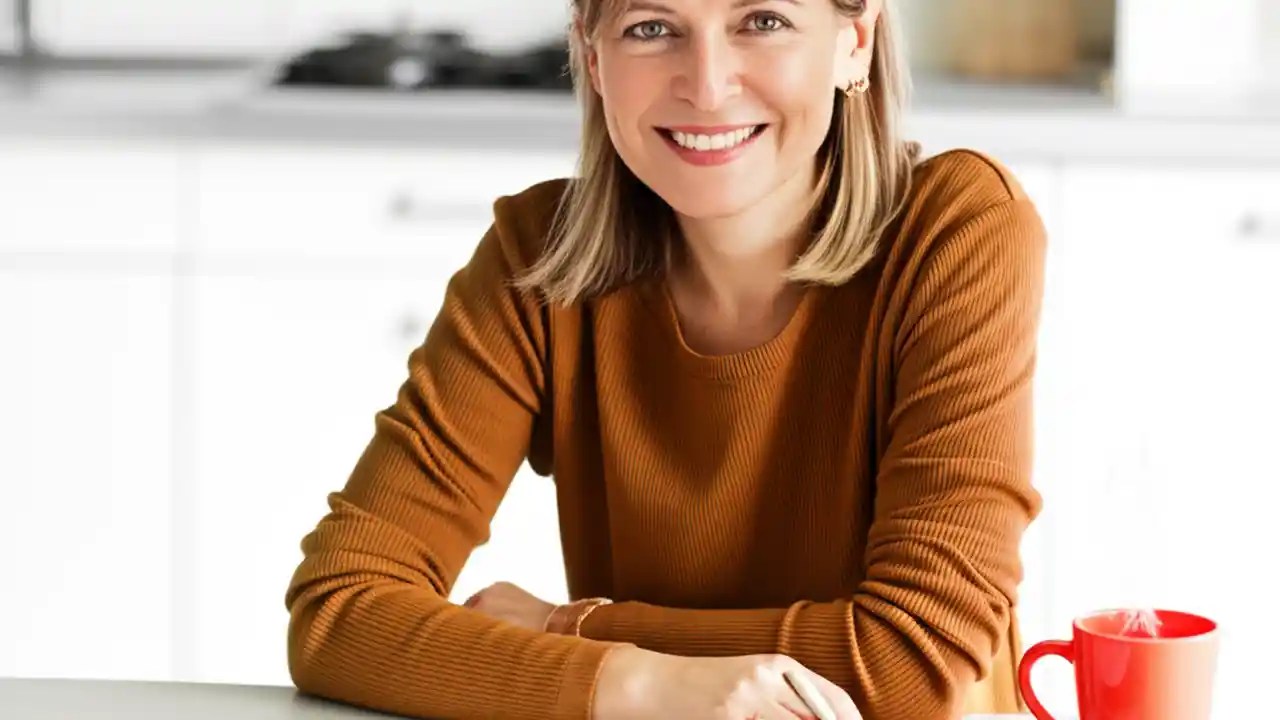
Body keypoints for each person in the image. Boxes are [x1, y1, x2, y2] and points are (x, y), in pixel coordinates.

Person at [284, 0, 1046, 718]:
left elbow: (914, 659)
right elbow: (340, 607)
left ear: (856, 41)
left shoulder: (957, 230)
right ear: (591, 52)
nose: (707, 86)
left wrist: (568, 627)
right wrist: (645, 678)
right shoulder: (539, 258)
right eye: (652, 27)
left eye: (763, 19)